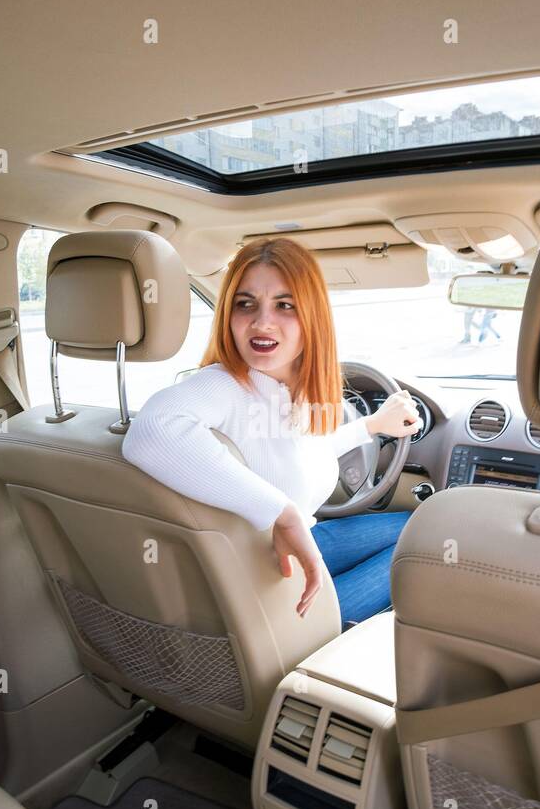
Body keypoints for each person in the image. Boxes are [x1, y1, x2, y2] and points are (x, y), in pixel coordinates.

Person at [121, 237, 422, 627]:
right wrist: (281, 514)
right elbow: (150, 432)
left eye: (285, 305)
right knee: (425, 555)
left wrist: (371, 427)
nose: (262, 322)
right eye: (246, 304)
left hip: (297, 550)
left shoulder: (282, 391)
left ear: (313, 317)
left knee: (423, 527)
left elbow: (294, 452)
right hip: (272, 599)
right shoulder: (223, 385)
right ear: (228, 314)